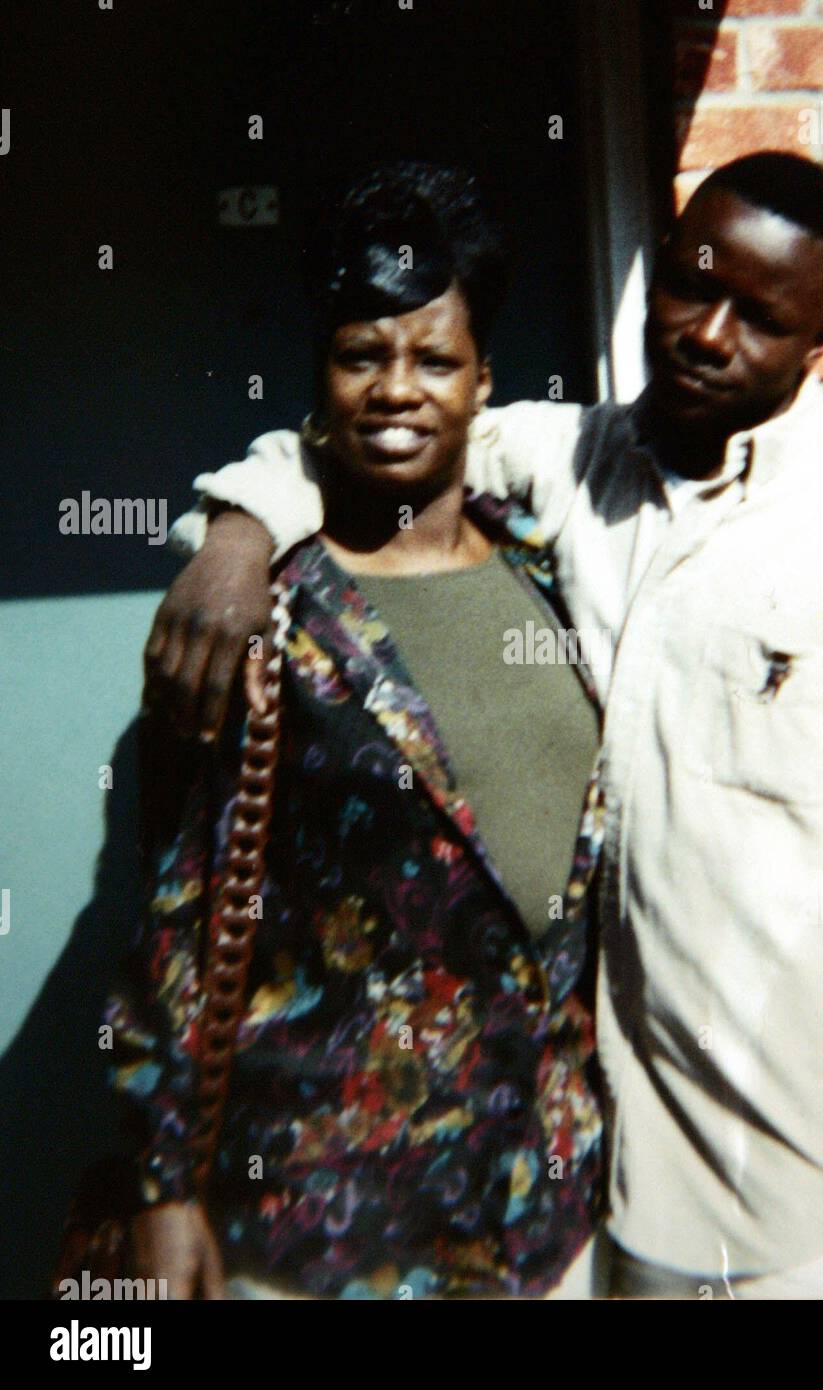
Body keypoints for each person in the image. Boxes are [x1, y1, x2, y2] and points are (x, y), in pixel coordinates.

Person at [148, 151, 823, 1299]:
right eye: (689, 286)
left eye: (762, 319)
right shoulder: (569, 464)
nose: (708, 333)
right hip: (574, 1189)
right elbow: (381, 423)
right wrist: (239, 531)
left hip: (778, 1188)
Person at [109, 162, 607, 1300]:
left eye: (434, 359)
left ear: (483, 383)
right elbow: (178, 915)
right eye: (359, 356)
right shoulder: (263, 607)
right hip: (326, 1221)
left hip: (546, 1204)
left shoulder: (547, 565)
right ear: (317, 381)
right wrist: (163, 1185)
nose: (396, 388)